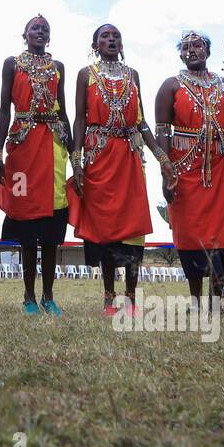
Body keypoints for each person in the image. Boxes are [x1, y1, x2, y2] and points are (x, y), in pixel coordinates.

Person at [70, 24, 174, 317]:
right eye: (105, 36)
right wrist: (76, 161)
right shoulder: (85, 75)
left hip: (129, 156)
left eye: (115, 36)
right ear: (95, 44)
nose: (111, 39)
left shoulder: (133, 75)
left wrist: (161, 157)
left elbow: (141, 122)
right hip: (99, 156)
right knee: (105, 230)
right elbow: (79, 119)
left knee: (133, 228)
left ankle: (130, 298)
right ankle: (108, 297)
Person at [154, 30, 224, 308]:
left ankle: (216, 300)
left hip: (219, 169)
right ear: (180, 54)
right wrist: (166, 170)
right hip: (183, 171)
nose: (191, 50)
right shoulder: (170, 86)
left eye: (197, 45)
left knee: (221, 235)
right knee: (189, 234)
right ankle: (196, 300)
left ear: (207, 51)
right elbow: (162, 131)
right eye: (185, 47)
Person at [0, 15, 72, 316]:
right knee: (26, 222)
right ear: (24, 34)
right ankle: (28, 296)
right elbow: (4, 110)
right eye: (35, 28)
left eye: (45, 30)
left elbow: (64, 111)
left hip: (52, 146)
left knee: (52, 223)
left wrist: (75, 157)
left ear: (49, 37)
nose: (40, 32)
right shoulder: (11, 64)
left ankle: (48, 296)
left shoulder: (59, 68)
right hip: (21, 148)